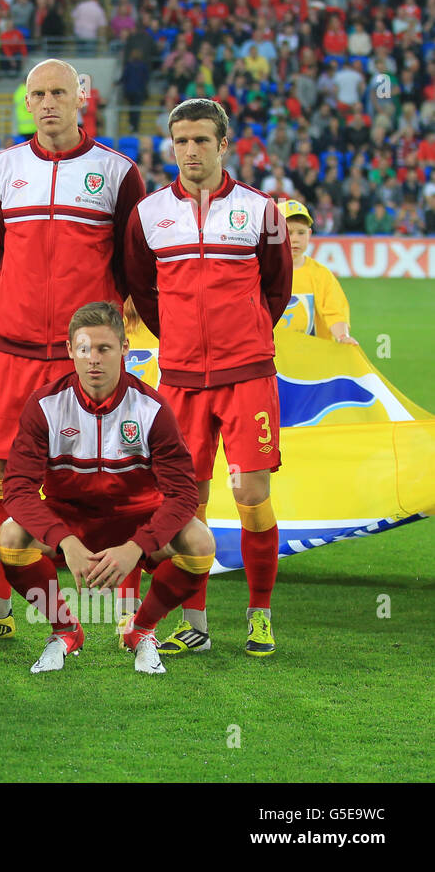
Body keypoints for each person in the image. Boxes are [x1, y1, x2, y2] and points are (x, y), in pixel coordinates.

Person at [0, 58, 146, 646]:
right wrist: (22, 302)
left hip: (84, 356)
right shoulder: (3, 167)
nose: (48, 104)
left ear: (82, 97)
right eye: (38, 94)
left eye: (58, 93)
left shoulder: (118, 172)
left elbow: (129, 259)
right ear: (27, 101)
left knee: (111, 478)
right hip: (14, 349)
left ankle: (128, 612)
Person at [125, 97, 292, 657]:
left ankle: (259, 614)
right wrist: (178, 338)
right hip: (180, 380)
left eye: (201, 140)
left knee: (250, 493)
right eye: (181, 141)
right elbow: (143, 289)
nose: (190, 150)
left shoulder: (261, 210)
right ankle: (193, 623)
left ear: (224, 144)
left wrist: (241, 337)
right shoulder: (149, 215)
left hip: (246, 376)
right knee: (184, 503)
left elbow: (276, 287)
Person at [2, 302, 216, 674]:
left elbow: (184, 495)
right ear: (70, 350)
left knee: (200, 541)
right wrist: (65, 541)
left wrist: (138, 547)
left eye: (104, 348)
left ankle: (141, 629)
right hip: (70, 523)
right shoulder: (45, 405)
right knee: (9, 535)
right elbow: (18, 490)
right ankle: (65, 630)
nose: (93, 359)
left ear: (124, 349)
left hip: (135, 522)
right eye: (84, 349)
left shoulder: (152, 408)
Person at [280, 199, 358, 344]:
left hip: (313, 360)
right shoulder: (262, 274)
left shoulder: (321, 275)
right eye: (289, 232)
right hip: (275, 361)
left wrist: (343, 337)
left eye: (301, 233)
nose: (295, 239)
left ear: (309, 234)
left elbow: (335, 312)